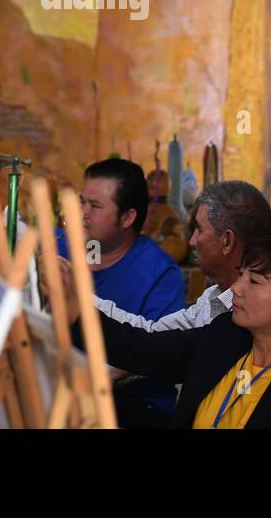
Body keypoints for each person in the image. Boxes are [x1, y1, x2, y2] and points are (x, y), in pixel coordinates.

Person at [67, 234, 271, 428]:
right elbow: (140, 348)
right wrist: (73, 311)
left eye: (254, 282)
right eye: (241, 274)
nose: (237, 288)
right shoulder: (225, 337)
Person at [55, 157, 184, 425]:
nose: (82, 213)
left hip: (133, 405)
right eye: (81, 201)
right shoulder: (60, 246)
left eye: (95, 206)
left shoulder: (160, 274)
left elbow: (160, 349)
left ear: (128, 217)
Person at [90, 180, 271, 332]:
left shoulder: (252, 316)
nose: (192, 242)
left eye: (199, 230)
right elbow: (154, 334)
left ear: (227, 242)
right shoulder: (213, 297)